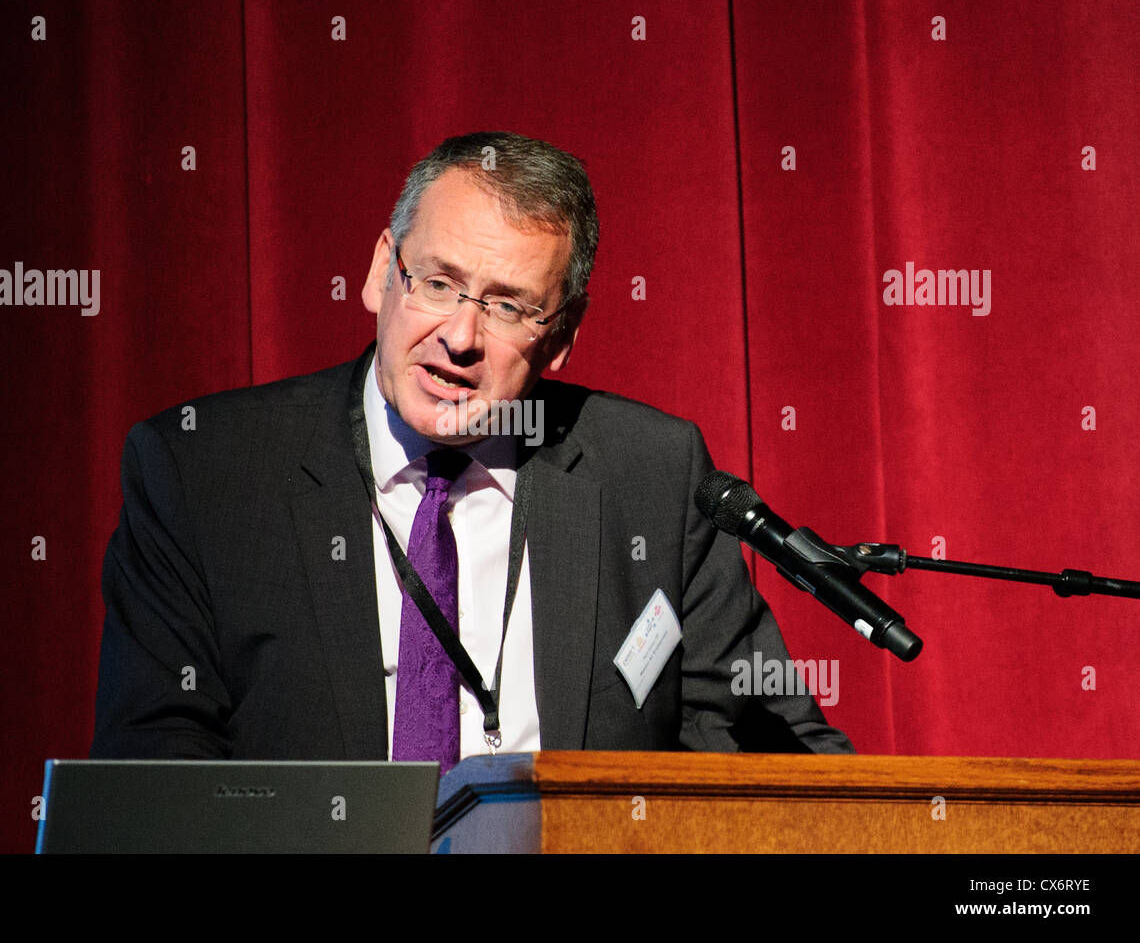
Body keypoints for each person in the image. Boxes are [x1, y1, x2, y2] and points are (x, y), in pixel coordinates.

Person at [90, 131, 853, 768]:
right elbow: (157, 772)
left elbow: (773, 751)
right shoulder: (204, 471)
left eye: (508, 305)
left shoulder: (650, 470)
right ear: (380, 271)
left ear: (562, 337)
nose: (459, 338)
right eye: (438, 283)